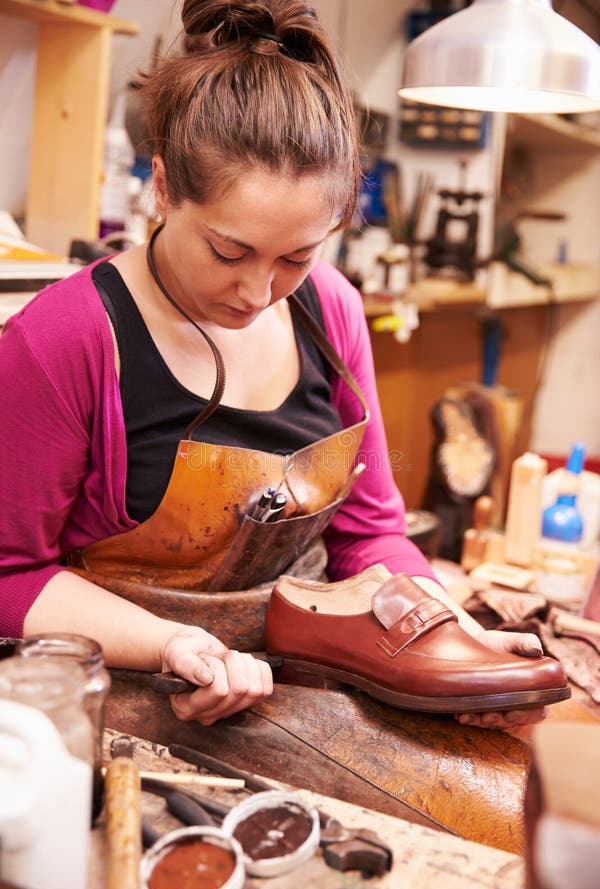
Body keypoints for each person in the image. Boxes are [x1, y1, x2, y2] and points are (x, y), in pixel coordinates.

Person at [0, 0, 547, 731]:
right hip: (113, 683)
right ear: (162, 186)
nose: (259, 294)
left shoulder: (332, 310)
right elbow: (10, 574)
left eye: (296, 257)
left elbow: (368, 533)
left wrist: (444, 631)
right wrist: (171, 644)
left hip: (299, 677)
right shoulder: (64, 339)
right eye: (230, 252)